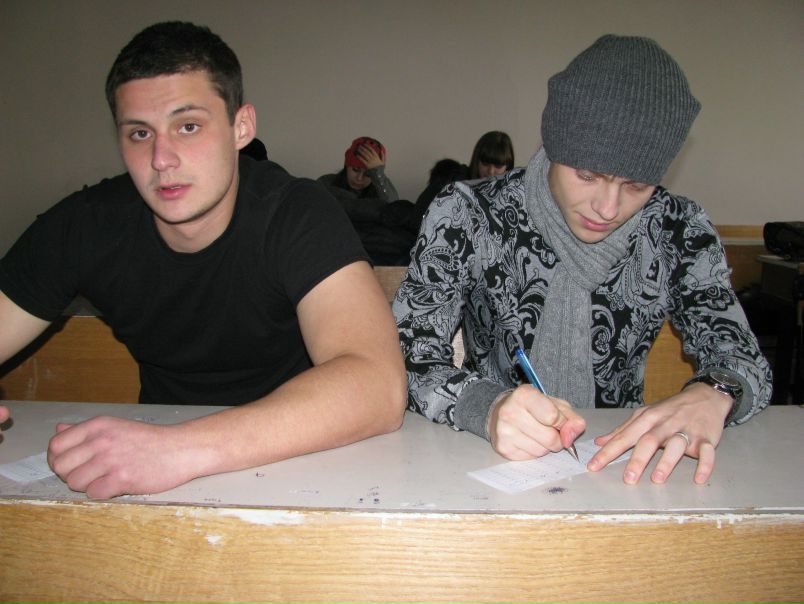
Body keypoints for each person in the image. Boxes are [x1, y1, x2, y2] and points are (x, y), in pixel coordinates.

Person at [0, 22, 407, 498]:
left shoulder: (296, 212)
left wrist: (179, 451)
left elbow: (378, 385)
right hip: (155, 472)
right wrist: (166, 451)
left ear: (241, 127)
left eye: (188, 126)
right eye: (139, 133)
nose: (161, 159)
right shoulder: (86, 223)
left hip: (306, 460)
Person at [393, 34, 772, 486]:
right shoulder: (469, 213)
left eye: (636, 185)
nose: (607, 208)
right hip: (480, 460)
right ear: (554, 145)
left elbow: (743, 357)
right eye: (588, 175)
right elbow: (407, 355)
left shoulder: (677, 228)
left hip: (619, 469)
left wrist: (713, 393)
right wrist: (486, 407)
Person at [319, 137, 416, 266]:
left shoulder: (380, 190)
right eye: (355, 170)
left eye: (368, 174)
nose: (359, 178)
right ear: (346, 166)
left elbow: (394, 211)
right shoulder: (327, 183)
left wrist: (378, 173)